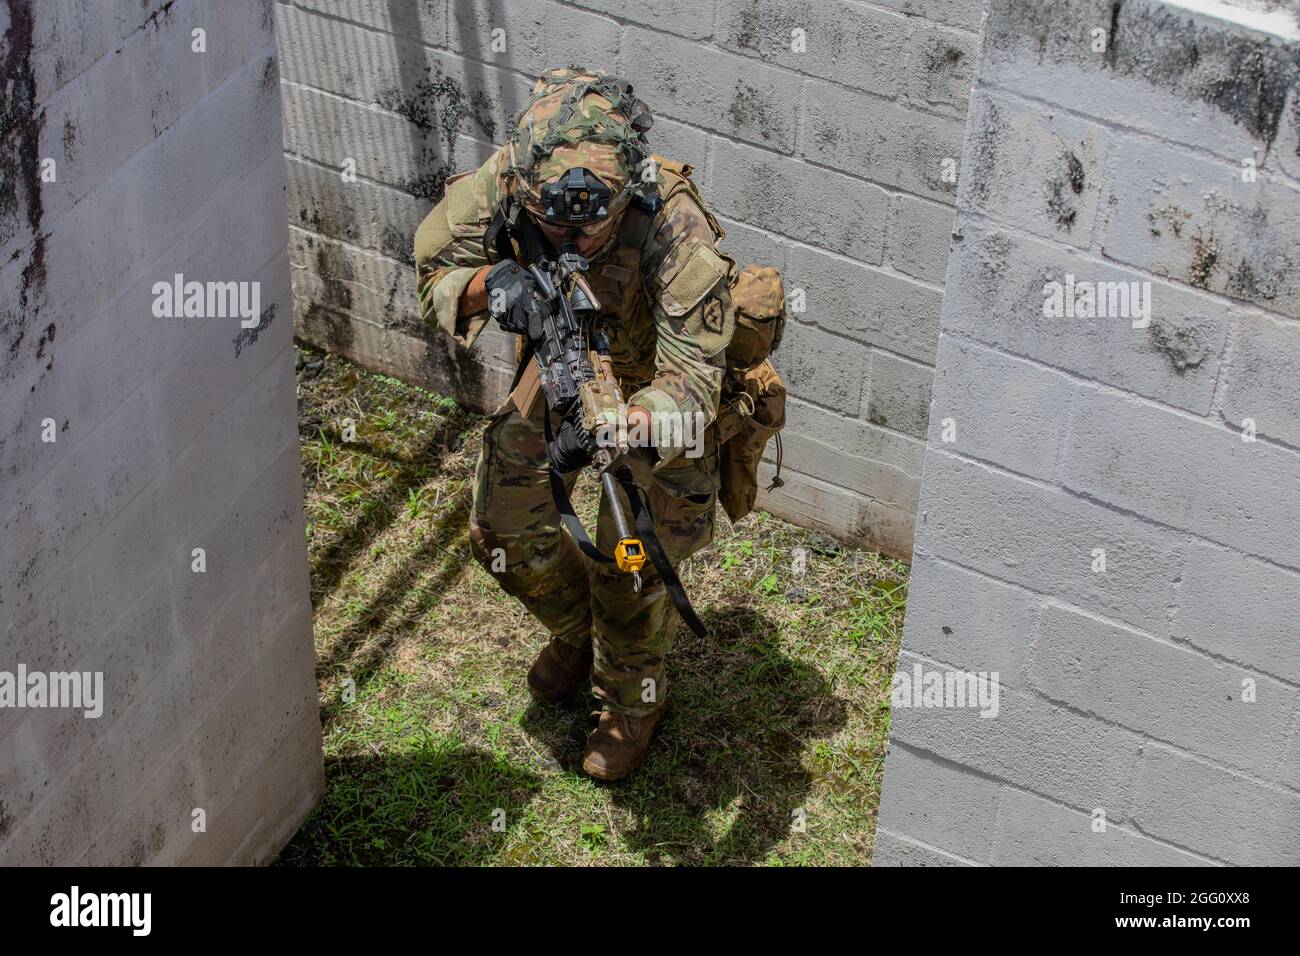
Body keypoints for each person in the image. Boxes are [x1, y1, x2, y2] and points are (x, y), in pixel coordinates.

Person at [413, 66, 736, 781]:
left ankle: (632, 701)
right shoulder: (508, 179)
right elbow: (432, 267)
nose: (573, 241)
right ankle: (577, 631)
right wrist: (491, 288)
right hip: (565, 358)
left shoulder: (674, 226)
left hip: (658, 395)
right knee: (501, 526)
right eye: (553, 224)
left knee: (631, 558)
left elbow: (696, 383)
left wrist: (626, 425)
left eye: (592, 226)